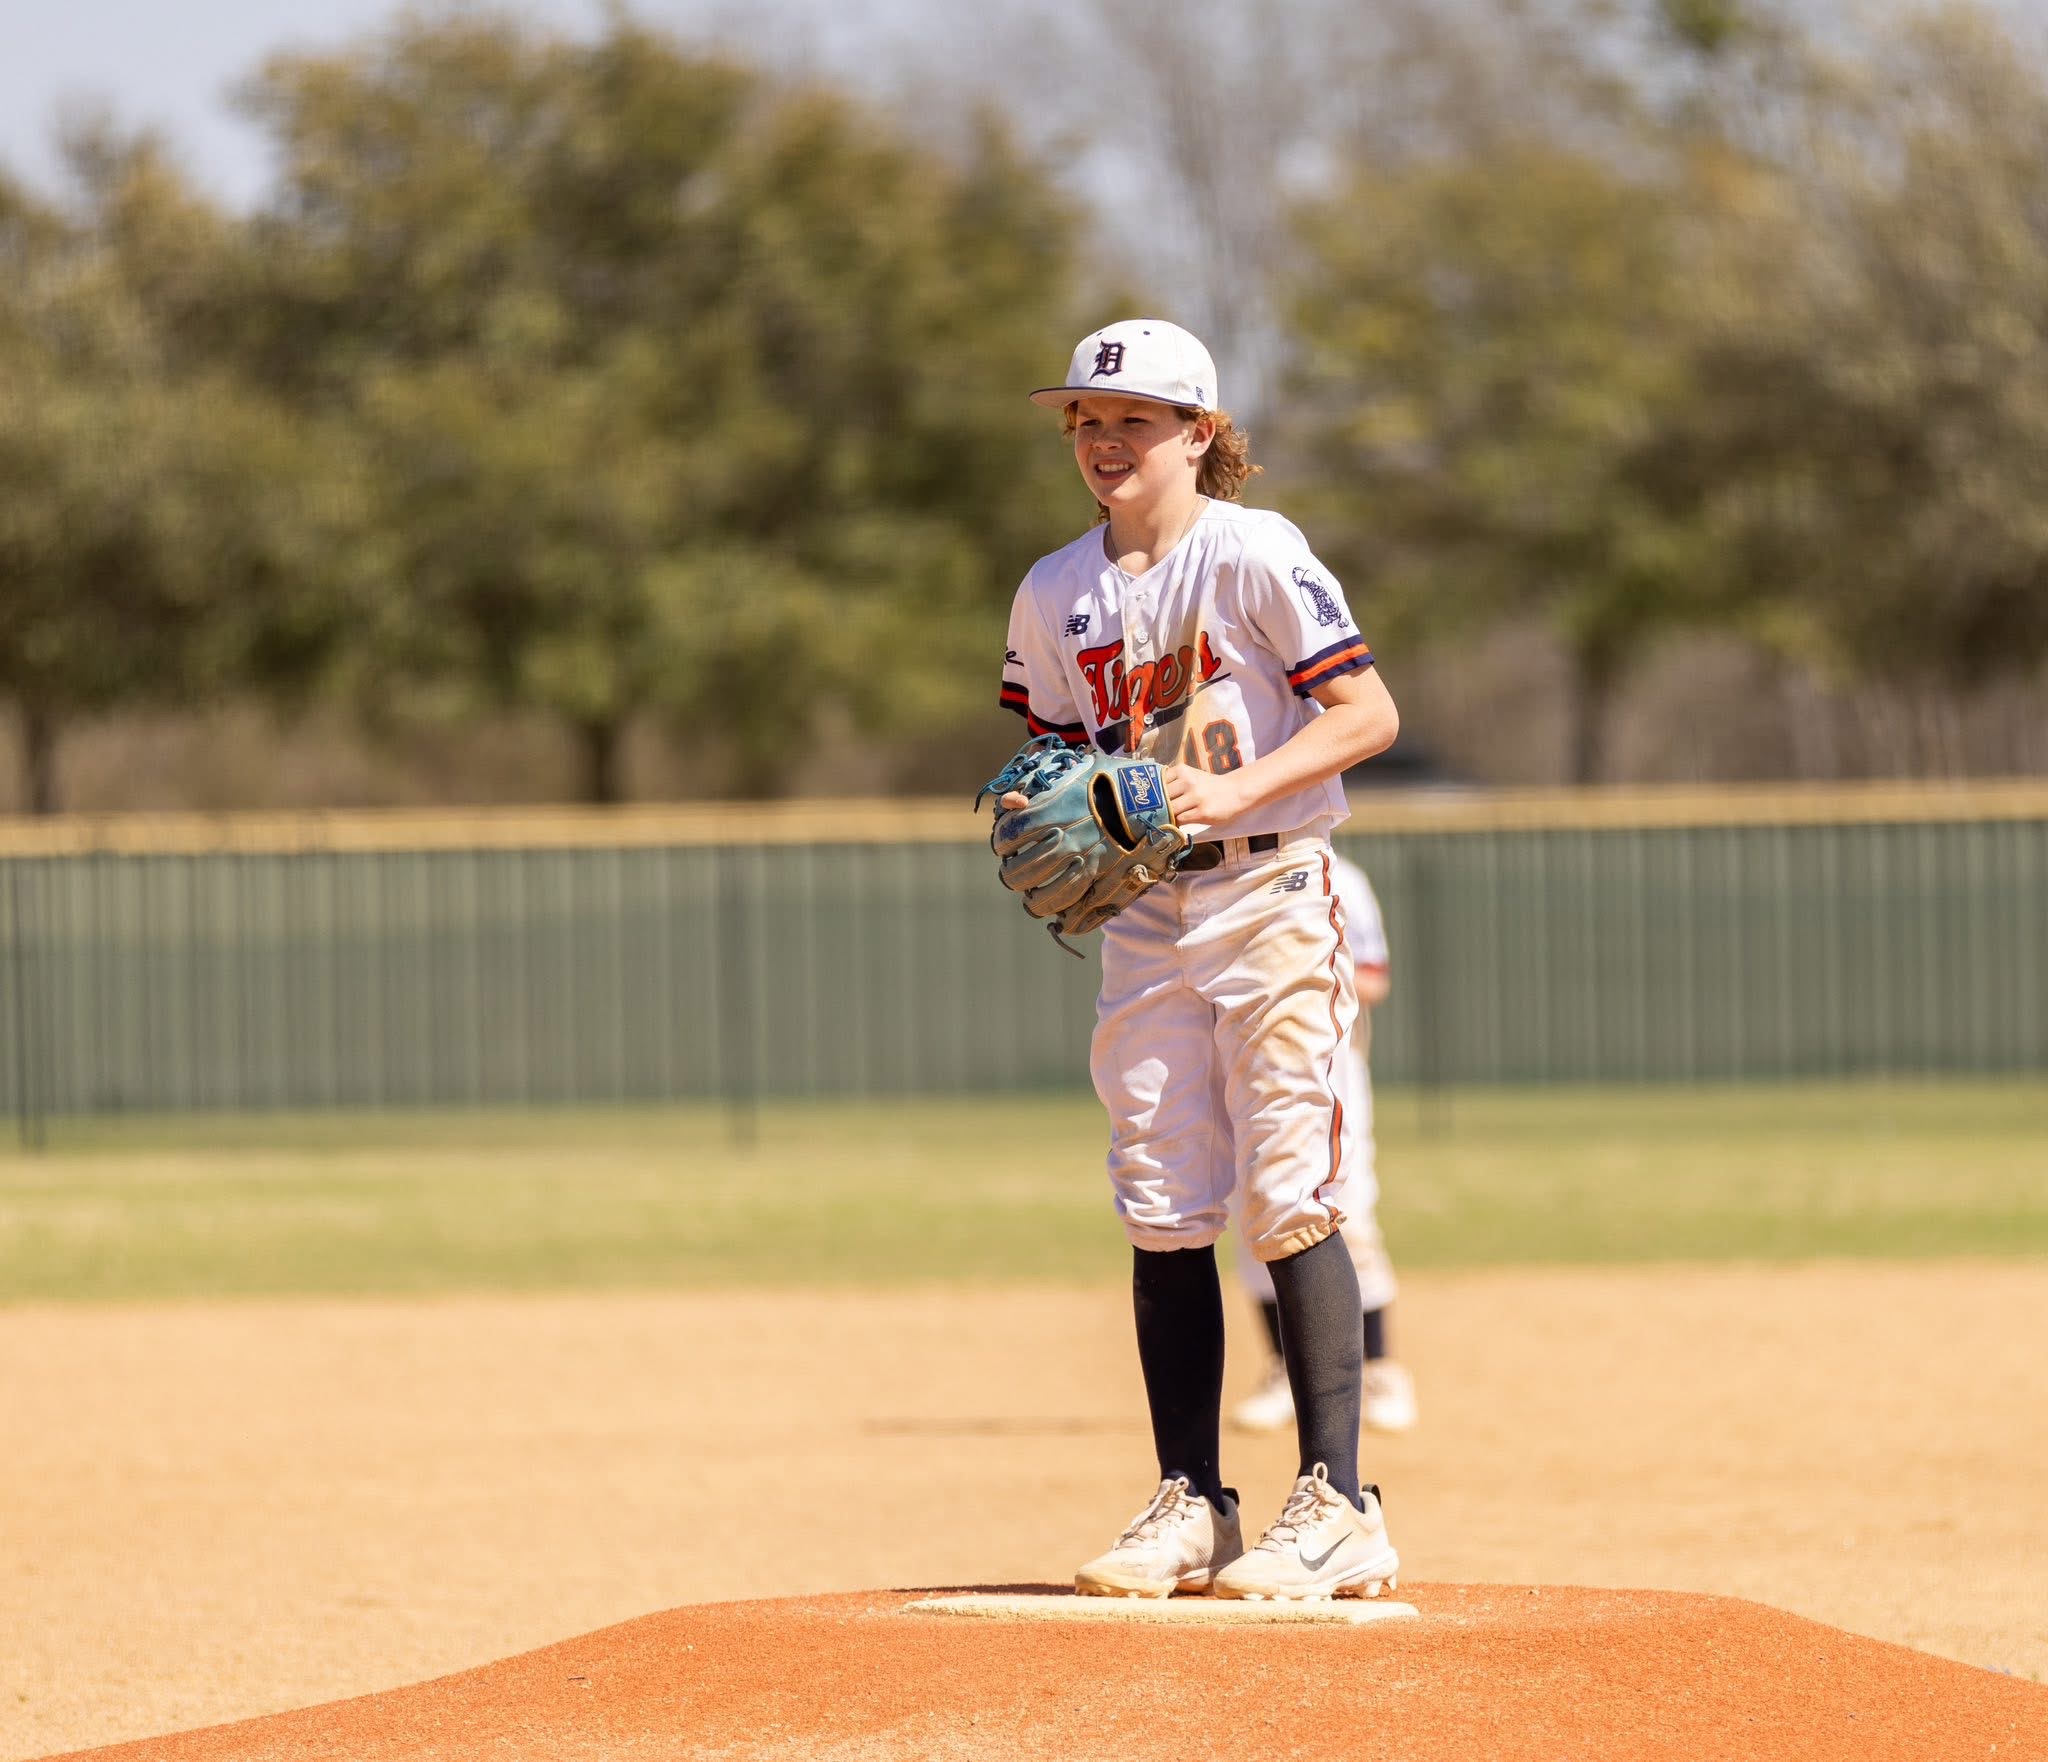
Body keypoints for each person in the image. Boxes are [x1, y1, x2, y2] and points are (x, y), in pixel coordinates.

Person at [996, 319, 1403, 1600]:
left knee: (1288, 1183)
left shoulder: (1253, 552)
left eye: (1134, 419)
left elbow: (1366, 712)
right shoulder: (1052, 590)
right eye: (1085, 420)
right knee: (1161, 1195)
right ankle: (1193, 1502)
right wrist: (1067, 819)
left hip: (1270, 883)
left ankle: (1337, 1504)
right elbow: (1053, 757)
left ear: (1200, 434)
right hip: (1146, 911)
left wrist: (1230, 794)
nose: (1103, 440)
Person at [1231, 851, 1417, 1436]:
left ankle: (1379, 1369)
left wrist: (1291, 972)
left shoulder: (1340, 874)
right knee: (1255, 1215)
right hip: (1242, 1063)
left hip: (1328, 1063)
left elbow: (1375, 977)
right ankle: (1285, 1369)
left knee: (1348, 1211)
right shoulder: (1212, 873)